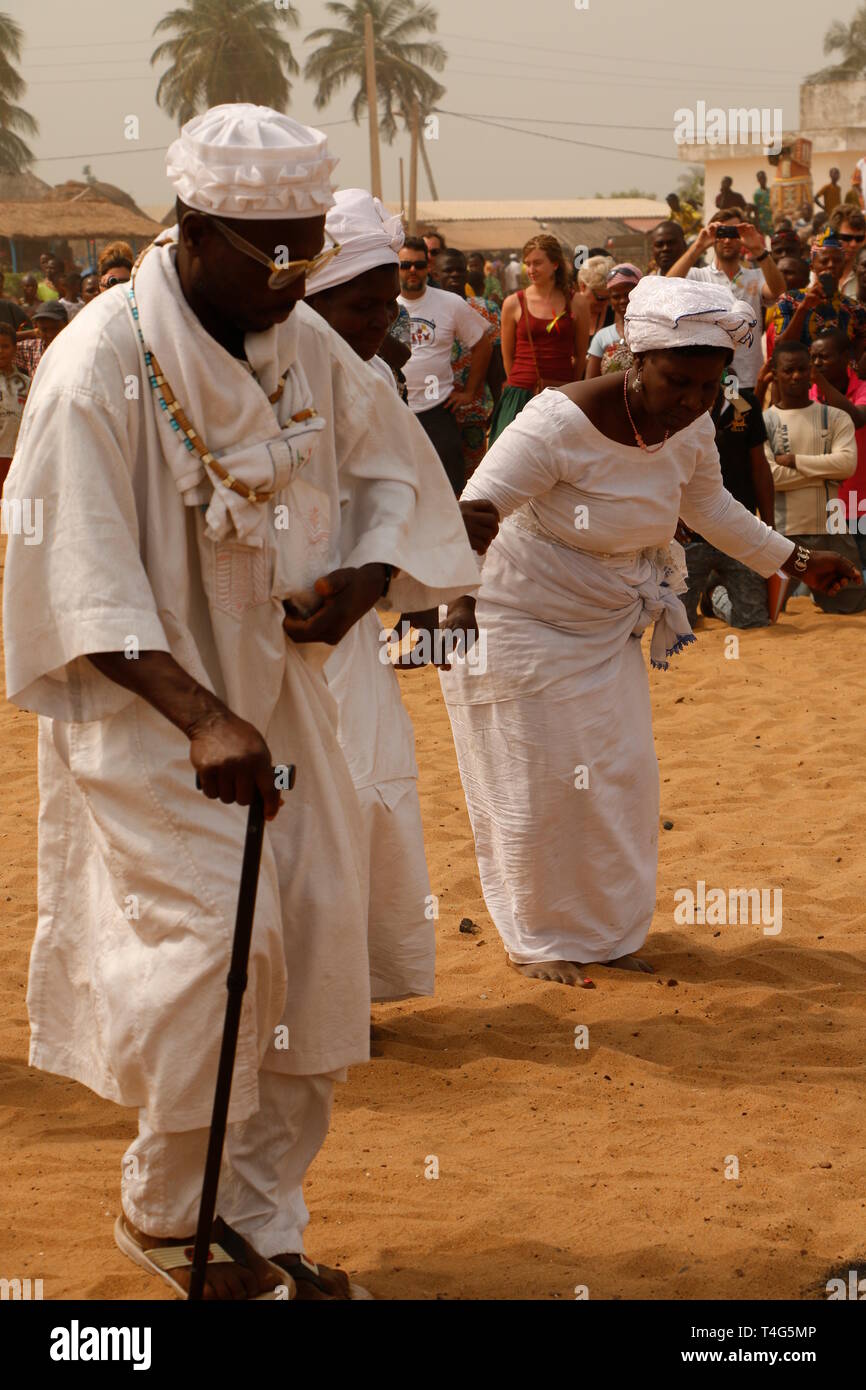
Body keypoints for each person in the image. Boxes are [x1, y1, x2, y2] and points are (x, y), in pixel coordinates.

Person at [2, 105, 480, 1302]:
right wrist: (202, 714)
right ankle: (166, 1222)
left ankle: (259, 1223)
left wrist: (367, 578)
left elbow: (390, 474)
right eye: (264, 247)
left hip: (289, 704)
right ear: (192, 228)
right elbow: (73, 570)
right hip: (154, 721)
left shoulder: (301, 339)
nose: (289, 272)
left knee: (313, 942)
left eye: (304, 245)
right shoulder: (98, 363)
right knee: (216, 954)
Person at [436, 277, 856, 987]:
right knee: (537, 784)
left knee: (617, 777)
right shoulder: (555, 422)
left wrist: (798, 560)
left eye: (708, 385)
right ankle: (541, 940)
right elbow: (477, 509)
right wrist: (453, 598)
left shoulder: (691, 427)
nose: (694, 402)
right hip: (515, 616)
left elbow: (714, 508)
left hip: (605, 621)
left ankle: (604, 934)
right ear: (634, 360)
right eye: (678, 382)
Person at [305, 189, 499, 1004]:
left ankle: (349, 995)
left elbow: (385, 492)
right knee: (307, 811)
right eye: (363, 304)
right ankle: (307, 1000)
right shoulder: (253, 371)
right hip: (270, 630)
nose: (382, 321)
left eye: (390, 303)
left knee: (365, 795)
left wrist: (434, 533)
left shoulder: (370, 369)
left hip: (346, 637)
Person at [764, 338, 866, 612]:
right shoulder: (765, 422)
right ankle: (715, 592)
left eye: (801, 369)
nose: (796, 376)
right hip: (785, 533)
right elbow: (771, 477)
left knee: (853, 606)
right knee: (765, 611)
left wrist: (795, 461)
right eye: (788, 370)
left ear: (811, 371)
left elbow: (846, 466)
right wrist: (825, 474)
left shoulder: (836, 418)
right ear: (776, 373)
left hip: (832, 529)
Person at [398, 236, 492, 493]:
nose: (413, 271)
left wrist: (470, 392)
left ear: (429, 267)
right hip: (395, 410)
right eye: (405, 265)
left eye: (419, 264)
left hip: (436, 410)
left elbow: (482, 344)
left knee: (449, 488)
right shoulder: (385, 305)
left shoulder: (449, 303)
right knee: (400, 486)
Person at [681, 374, 776, 629]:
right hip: (691, 539)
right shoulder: (678, 405)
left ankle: (714, 596)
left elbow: (759, 467)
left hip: (738, 533)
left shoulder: (745, 403)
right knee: (677, 623)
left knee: (753, 620)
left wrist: (769, 528)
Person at [666, 209, 785, 390]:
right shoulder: (697, 276)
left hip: (749, 378)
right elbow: (666, 286)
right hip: (710, 380)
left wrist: (758, 249)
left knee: (745, 417)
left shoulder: (756, 276)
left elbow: (778, 291)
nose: (727, 240)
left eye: (733, 233)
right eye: (721, 233)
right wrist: (698, 246)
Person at [489, 233, 586, 444]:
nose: (531, 270)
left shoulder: (577, 303)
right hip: (520, 396)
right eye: (528, 264)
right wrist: (523, 382)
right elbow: (508, 357)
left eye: (538, 263)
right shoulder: (513, 303)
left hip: (562, 395)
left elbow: (580, 355)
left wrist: (568, 385)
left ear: (555, 264)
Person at [435, 248, 502, 472]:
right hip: (435, 410)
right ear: (436, 274)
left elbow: (495, 361)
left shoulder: (487, 310)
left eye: (459, 270)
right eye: (448, 270)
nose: (455, 275)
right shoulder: (428, 308)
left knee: (474, 475)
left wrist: (498, 403)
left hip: (474, 409)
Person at [809, 327, 866, 572]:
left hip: (861, 502)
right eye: (812, 358)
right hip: (825, 505)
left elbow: (855, 418)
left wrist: (819, 381)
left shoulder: (863, 389)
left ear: (846, 358)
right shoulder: (807, 393)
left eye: (824, 357)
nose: (817, 363)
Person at [770, 226, 866, 352]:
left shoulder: (855, 309)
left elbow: (855, 361)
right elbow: (781, 348)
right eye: (824, 261)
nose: (831, 265)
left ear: (843, 266)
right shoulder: (788, 300)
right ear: (812, 266)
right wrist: (803, 309)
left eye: (837, 261)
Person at [584, 263, 642, 378]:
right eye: (616, 296)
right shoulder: (602, 337)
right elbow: (590, 382)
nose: (622, 301)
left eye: (628, 294)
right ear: (610, 300)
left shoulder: (652, 332)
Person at [0, 322, 30, 491]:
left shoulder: (27, 383)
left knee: (14, 506)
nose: (0, 351)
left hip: (18, 457)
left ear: (15, 349)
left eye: (5, 346)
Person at [16, 299, 68, 376]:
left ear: (66, 325)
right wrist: (31, 333)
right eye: (44, 329)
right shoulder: (31, 348)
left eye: (55, 328)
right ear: (36, 328)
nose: (50, 334)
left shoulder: (75, 348)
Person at [828, 205, 866, 298]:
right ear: (833, 236)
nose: (853, 244)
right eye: (846, 238)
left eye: (859, 238)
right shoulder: (816, 274)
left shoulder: (863, 275)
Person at [576, 254, 615, 339]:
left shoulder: (614, 314)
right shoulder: (569, 313)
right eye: (600, 298)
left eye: (610, 298)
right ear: (583, 286)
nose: (605, 303)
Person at [753, 170, 774, 236]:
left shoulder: (771, 191)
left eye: (764, 178)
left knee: (773, 238)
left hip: (771, 219)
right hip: (761, 221)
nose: (763, 180)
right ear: (758, 180)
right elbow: (755, 208)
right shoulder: (757, 193)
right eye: (760, 178)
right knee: (762, 242)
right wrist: (757, 223)